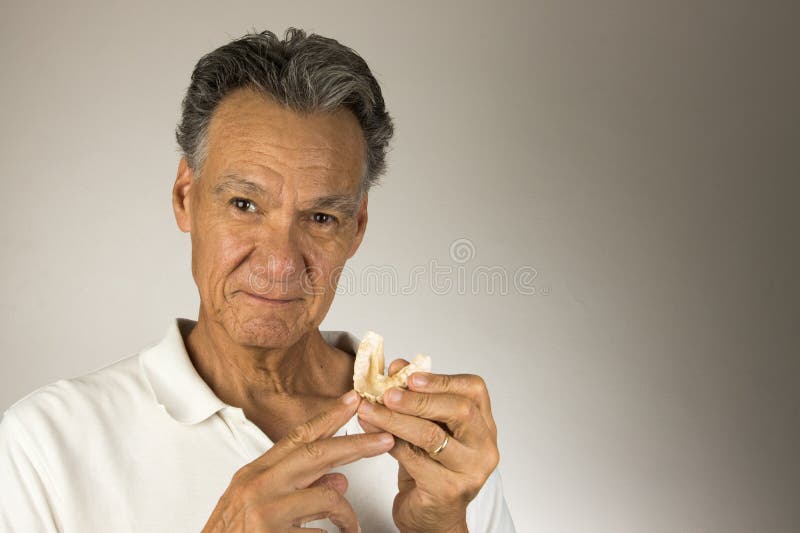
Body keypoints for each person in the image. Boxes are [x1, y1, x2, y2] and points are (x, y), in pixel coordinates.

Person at [0, 28, 516, 532]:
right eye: (244, 205)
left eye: (320, 218)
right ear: (185, 197)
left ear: (356, 227)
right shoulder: (43, 446)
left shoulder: (439, 452)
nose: (279, 262)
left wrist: (441, 528)